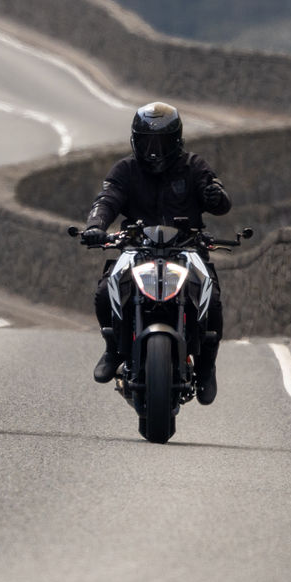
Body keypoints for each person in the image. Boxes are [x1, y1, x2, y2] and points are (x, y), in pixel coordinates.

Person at [80, 102, 232, 404]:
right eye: (147, 141)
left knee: (211, 299)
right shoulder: (125, 170)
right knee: (103, 292)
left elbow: (219, 201)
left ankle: (206, 366)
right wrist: (96, 226)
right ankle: (113, 348)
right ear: (135, 139)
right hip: (137, 248)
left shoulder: (194, 166)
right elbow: (107, 199)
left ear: (177, 140)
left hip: (186, 248)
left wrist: (216, 196)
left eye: (161, 142)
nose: (154, 150)